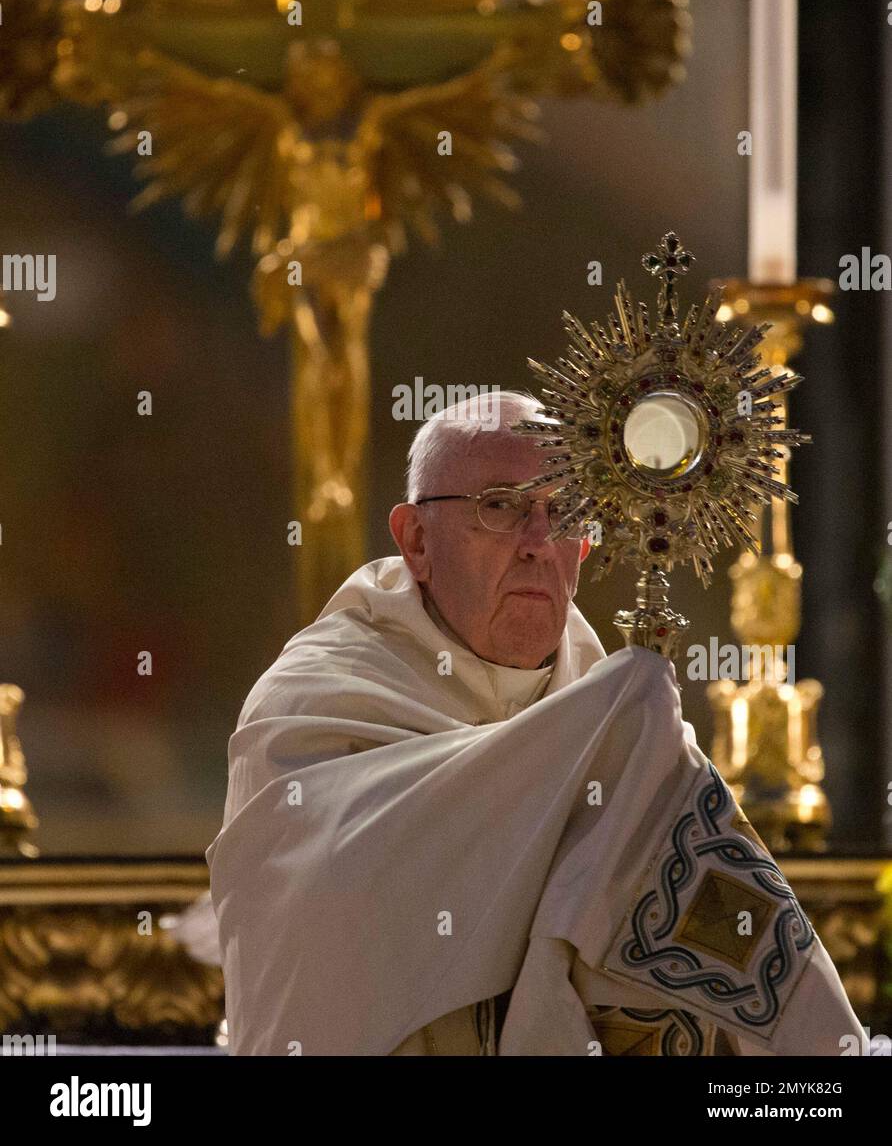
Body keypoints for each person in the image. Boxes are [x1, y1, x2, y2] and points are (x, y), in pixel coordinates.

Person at [206, 390, 863, 1056]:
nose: (537, 542)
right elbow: (324, 913)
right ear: (415, 540)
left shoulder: (609, 712)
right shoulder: (316, 698)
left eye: (565, 512)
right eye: (499, 506)